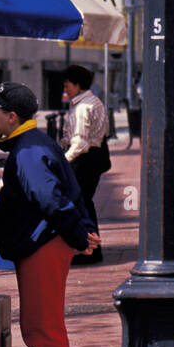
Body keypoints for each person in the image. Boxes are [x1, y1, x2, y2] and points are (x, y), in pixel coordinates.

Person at [0, 83, 99, 347]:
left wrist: (79, 234)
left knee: (43, 327)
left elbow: (50, 197)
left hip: (44, 245)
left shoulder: (29, 150)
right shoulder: (31, 144)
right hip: (44, 242)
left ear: (12, 117)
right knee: (42, 325)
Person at [60, 65, 110, 264]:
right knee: (84, 203)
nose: (65, 87)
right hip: (92, 159)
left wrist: (63, 161)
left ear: (78, 84)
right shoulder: (89, 102)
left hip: (84, 161)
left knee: (81, 204)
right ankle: (91, 248)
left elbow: (80, 143)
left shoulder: (83, 107)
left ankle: (90, 249)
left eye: (68, 84)